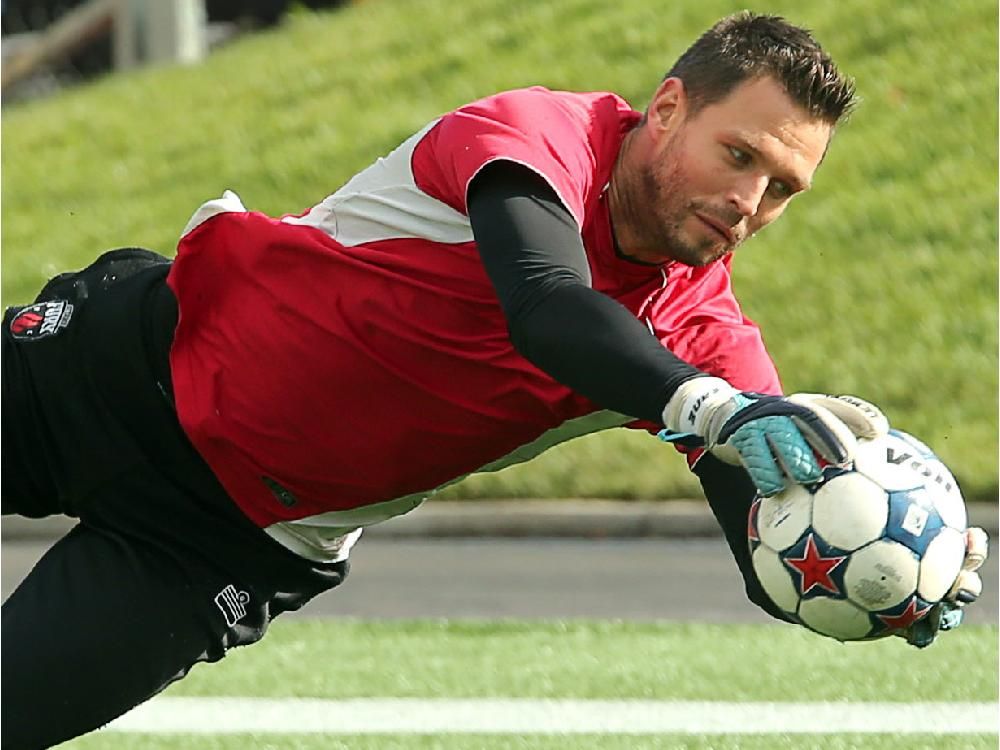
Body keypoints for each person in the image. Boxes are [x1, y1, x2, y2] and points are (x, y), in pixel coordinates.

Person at [2, 11, 988, 748]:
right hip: (116, 374)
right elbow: (548, 303)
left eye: (782, 188)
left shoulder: (708, 340)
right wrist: (708, 405)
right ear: (670, 108)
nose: (748, 201)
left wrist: (883, 571)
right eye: (738, 156)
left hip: (227, 542)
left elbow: (763, 549)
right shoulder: (537, 138)